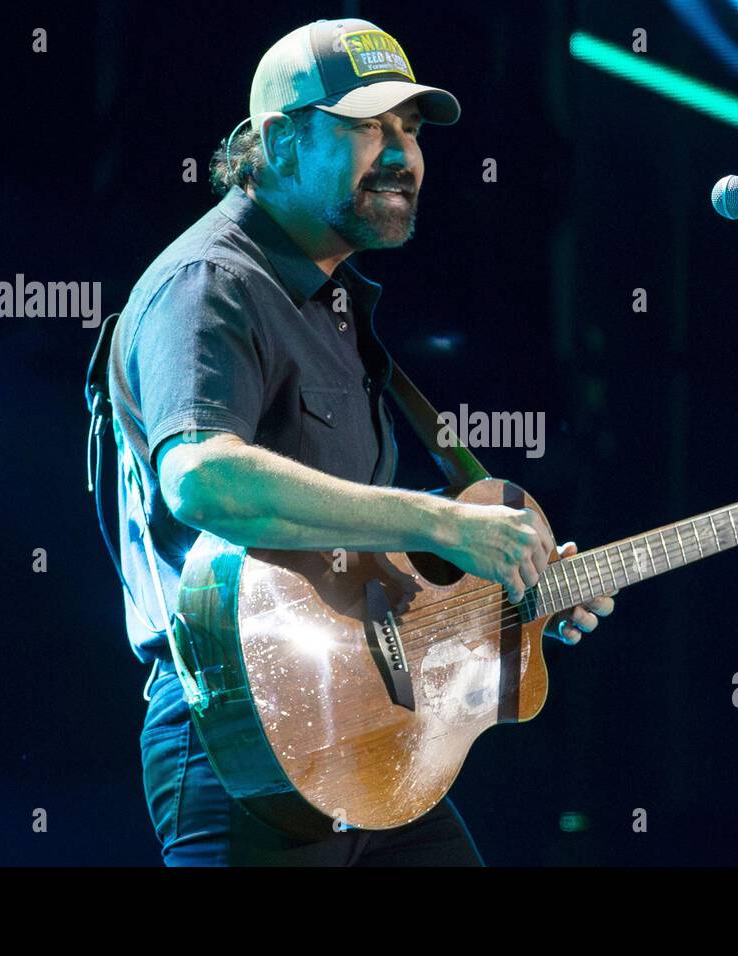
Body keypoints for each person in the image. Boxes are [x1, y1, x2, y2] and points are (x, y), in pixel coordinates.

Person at [108, 17, 615, 866]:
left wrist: (502, 603)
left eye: (410, 130)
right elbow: (201, 481)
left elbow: (349, 568)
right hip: (247, 749)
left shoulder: (334, 301)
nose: (401, 154)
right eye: (365, 126)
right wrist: (444, 523)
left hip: (376, 737)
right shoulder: (212, 284)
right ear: (277, 140)